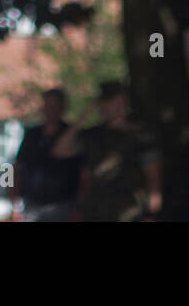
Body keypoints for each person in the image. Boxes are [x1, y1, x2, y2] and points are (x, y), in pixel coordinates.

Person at [56, 81, 161, 221]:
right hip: (96, 212)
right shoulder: (92, 135)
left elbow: (153, 179)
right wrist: (83, 117)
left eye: (111, 101)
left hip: (131, 213)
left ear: (123, 101)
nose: (105, 106)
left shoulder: (141, 136)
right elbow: (60, 151)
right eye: (103, 101)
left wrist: (151, 214)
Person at [12, 87, 81, 222]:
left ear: (63, 108)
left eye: (55, 106)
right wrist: (13, 203)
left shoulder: (72, 135)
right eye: (48, 106)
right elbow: (10, 168)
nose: (51, 110)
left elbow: (84, 173)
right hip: (32, 206)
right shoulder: (31, 135)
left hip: (64, 206)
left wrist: (79, 206)